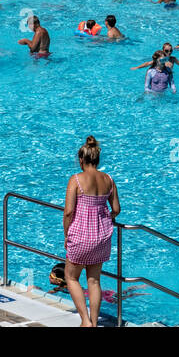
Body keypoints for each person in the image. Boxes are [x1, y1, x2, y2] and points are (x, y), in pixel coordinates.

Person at [62, 136, 121, 327]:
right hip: (101, 237)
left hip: (80, 236)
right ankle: (94, 323)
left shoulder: (76, 180)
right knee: (94, 281)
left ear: (81, 159)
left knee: (71, 277)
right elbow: (117, 210)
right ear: (97, 159)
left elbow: (69, 212)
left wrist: (66, 235)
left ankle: (85, 321)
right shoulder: (108, 180)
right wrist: (105, 217)